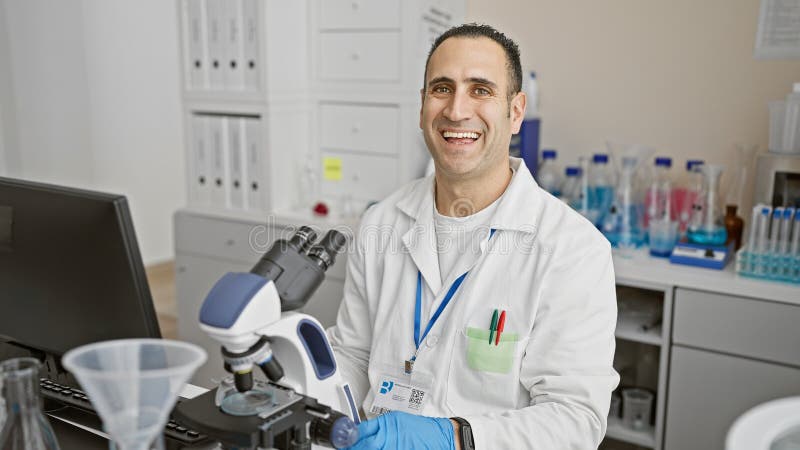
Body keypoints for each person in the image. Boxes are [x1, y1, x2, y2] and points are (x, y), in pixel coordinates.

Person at [328, 23, 619, 449]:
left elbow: (574, 420)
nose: (456, 110)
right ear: (422, 106)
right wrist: (307, 405)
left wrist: (456, 438)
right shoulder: (381, 223)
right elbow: (352, 356)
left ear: (515, 111)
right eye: (441, 88)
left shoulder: (573, 250)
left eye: (480, 90)